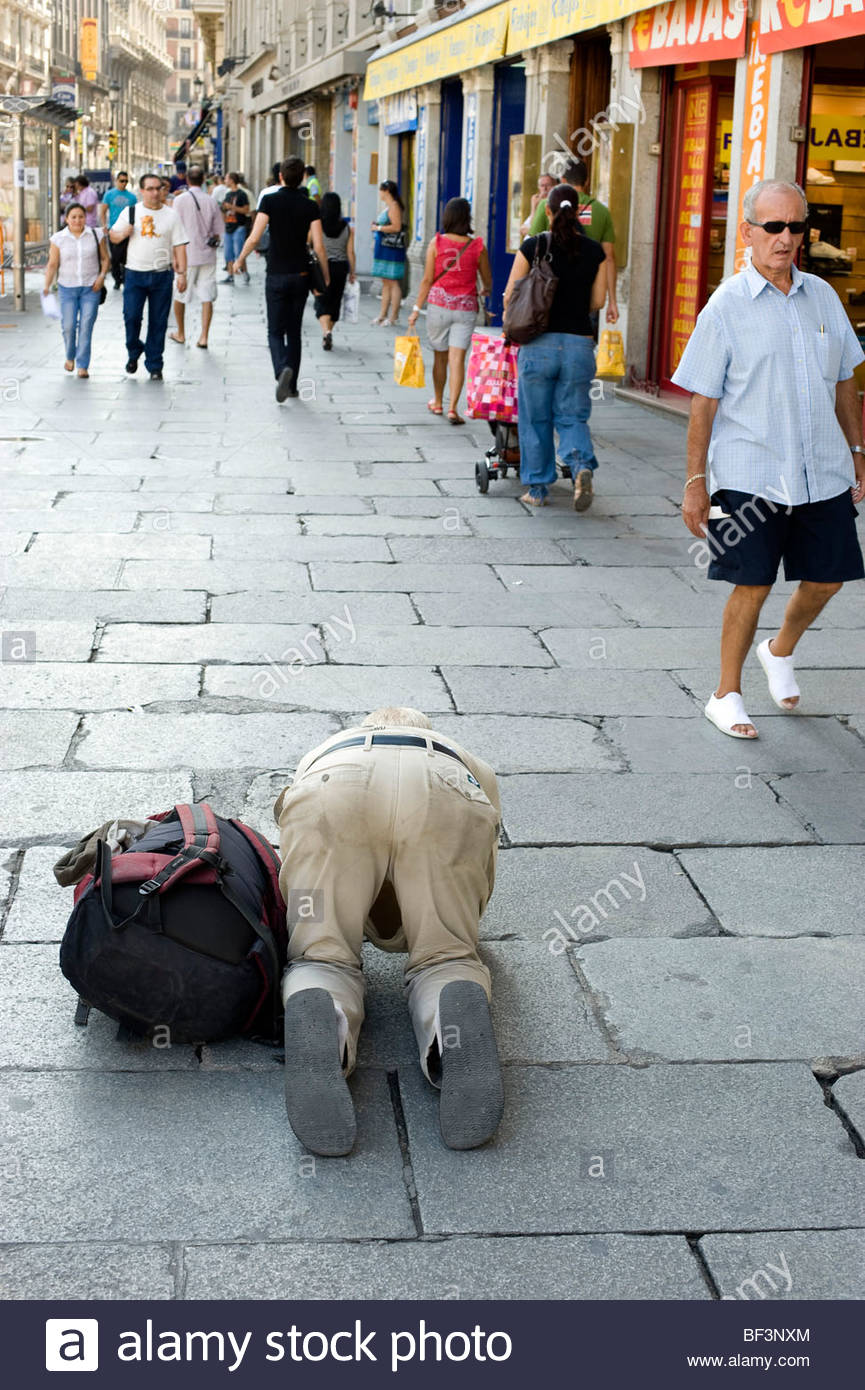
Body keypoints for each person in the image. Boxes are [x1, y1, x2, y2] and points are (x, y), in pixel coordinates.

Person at [675, 179, 865, 740]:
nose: (785, 238)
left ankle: (778, 650)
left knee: (829, 577)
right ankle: (725, 693)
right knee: (752, 584)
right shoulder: (726, 306)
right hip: (750, 471)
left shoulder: (824, 297)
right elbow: (703, 404)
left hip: (822, 468)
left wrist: (857, 450)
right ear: (748, 232)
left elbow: (845, 381)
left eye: (796, 227)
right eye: (773, 227)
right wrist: (695, 482)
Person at [274, 705, 504, 1157]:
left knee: (319, 956)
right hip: (447, 792)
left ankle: (328, 1017)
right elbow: (484, 875)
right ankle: (446, 1014)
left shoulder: (321, 750)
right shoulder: (469, 760)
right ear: (426, 729)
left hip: (331, 789)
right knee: (447, 956)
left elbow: (293, 853)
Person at [503, 183, 607, 508]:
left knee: (535, 419)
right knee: (573, 416)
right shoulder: (594, 252)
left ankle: (536, 489)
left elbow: (510, 295)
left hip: (538, 345)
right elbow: (598, 301)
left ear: (546, 211)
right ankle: (580, 468)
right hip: (579, 346)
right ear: (579, 213)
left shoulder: (532, 247)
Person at [233, 155, 329, 402]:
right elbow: (319, 245)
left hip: (276, 273)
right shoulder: (310, 205)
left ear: (281, 177)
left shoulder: (270, 201)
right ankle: (293, 384)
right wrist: (325, 277)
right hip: (301, 275)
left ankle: (281, 371)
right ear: (302, 179)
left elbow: (255, 237)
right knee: (294, 331)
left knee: (275, 330)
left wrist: (240, 259)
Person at [408, 196, 492, 424]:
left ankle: (437, 402)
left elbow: (426, 280)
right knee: (458, 359)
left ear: (447, 217)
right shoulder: (478, 246)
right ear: (468, 218)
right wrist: (485, 291)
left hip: (438, 307)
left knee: (440, 357)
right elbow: (487, 280)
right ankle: (453, 408)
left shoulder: (437, 243)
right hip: (465, 308)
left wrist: (416, 308)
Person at [110, 171, 189, 381]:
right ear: (142, 191)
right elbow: (113, 236)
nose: (155, 193)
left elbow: (180, 245)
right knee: (131, 316)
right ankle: (134, 350)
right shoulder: (131, 212)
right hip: (134, 274)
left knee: (159, 321)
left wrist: (182, 274)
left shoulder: (172, 215)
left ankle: (155, 364)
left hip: (162, 275)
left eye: (158, 188)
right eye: (150, 189)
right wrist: (122, 233)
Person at [529, 159, 618, 325]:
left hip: (547, 293)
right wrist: (612, 301)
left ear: (562, 181)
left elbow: (530, 248)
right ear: (587, 182)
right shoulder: (601, 211)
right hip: (585, 296)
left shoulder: (546, 205)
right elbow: (609, 258)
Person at [42, 202, 109, 379]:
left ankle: (82, 365)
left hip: (91, 288)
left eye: (81, 216)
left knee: (86, 325)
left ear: (85, 218)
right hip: (67, 289)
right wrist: (46, 287)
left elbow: (105, 259)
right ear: (66, 219)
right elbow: (52, 264)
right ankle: (70, 356)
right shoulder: (58, 238)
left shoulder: (96, 234)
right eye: (73, 217)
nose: (77, 220)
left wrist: (101, 277)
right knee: (68, 326)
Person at [169, 165, 223, 349]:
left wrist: (174, 256)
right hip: (207, 255)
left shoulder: (179, 200)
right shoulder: (211, 201)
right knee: (207, 296)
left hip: (186, 255)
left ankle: (181, 333)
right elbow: (218, 232)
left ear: (188, 181)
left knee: (180, 294)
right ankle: (204, 337)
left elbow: (174, 229)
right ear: (203, 180)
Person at [314, 192, 355, 351]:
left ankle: (326, 332)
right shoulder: (347, 228)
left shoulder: (317, 225)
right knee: (335, 302)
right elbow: (350, 252)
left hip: (322, 267)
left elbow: (310, 244)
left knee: (322, 301)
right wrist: (353, 271)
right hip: (340, 268)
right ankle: (329, 331)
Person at [371, 180, 405, 325]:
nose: (379, 193)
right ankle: (383, 314)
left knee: (393, 282)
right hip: (384, 248)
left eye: (380, 190)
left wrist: (378, 228)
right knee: (386, 282)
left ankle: (393, 317)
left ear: (386, 191)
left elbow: (396, 227)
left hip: (391, 249)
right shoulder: (388, 207)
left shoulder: (394, 206)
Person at [99, 171, 136, 289]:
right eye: (122, 181)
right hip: (113, 230)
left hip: (127, 230)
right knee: (115, 257)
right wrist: (104, 225)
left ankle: (125, 279)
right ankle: (117, 279)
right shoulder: (109, 195)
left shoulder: (132, 197)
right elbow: (103, 211)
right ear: (116, 181)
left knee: (126, 257)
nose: (124, 183)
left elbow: (135, 213)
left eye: (126, 181)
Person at [221, 172, 251, 284]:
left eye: (226, 179)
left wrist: (232, 207)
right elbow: (224, 209)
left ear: (232, 180)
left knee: (239, 252)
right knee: (228, 253)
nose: (225, 181)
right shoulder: (228, 194)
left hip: (239, 226)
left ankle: (244, 272)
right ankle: (230, 275)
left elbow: (246, 210)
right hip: (229, 226)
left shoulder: (242, 194)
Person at [520, 172, 555, 238]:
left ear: (555, 186)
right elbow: (522, 230)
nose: (545, 189)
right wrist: (534, 207)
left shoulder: (553, 204)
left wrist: (534, 207)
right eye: (542, 186)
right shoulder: (539, 203)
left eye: (548, 185)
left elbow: (534, 231)